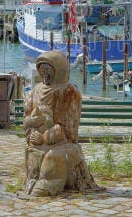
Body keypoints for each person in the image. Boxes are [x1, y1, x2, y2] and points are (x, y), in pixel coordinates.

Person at [22, 50, 98, 196]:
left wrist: (44, 138)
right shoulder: (34, 91)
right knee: (35, 153)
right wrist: (31, 127)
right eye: (42, 69)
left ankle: (48, 184)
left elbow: (69, 130)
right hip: (37, 140)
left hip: (63, 143)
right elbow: (26, 119)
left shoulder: (69, 92)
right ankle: (33, 182)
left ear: (59, 71)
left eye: (49, 70)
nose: (45, 74)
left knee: (52, 156)